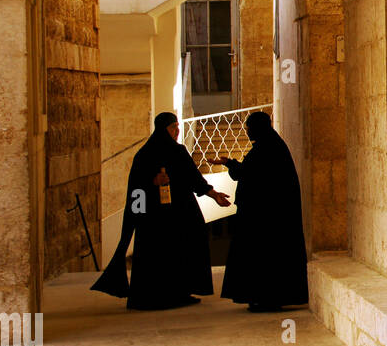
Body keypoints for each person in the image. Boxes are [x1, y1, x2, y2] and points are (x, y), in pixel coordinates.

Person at [93, 112, 231, 309]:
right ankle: (157, 296)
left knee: (186, 246)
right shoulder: (145, 155)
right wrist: (153, 183)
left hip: (181, 213)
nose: (177, 131)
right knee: (160, 254)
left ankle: (181, 292)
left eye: (177, 126)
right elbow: (136, 188)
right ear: (162, 129)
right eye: (173, 127)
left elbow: (193, 177)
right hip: (155, 217)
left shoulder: (178, 151)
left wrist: (213, 194)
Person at [215, 112, 308, 311]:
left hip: (266, 218)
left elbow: (247, 173)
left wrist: (230, 164)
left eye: (248, 128)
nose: (247, 131)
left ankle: (267, 299)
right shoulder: (269, 145)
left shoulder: (267, 148)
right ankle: (263, 297)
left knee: (265, 258)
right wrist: (229, 163)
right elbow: (250, 173)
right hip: (264, 215)